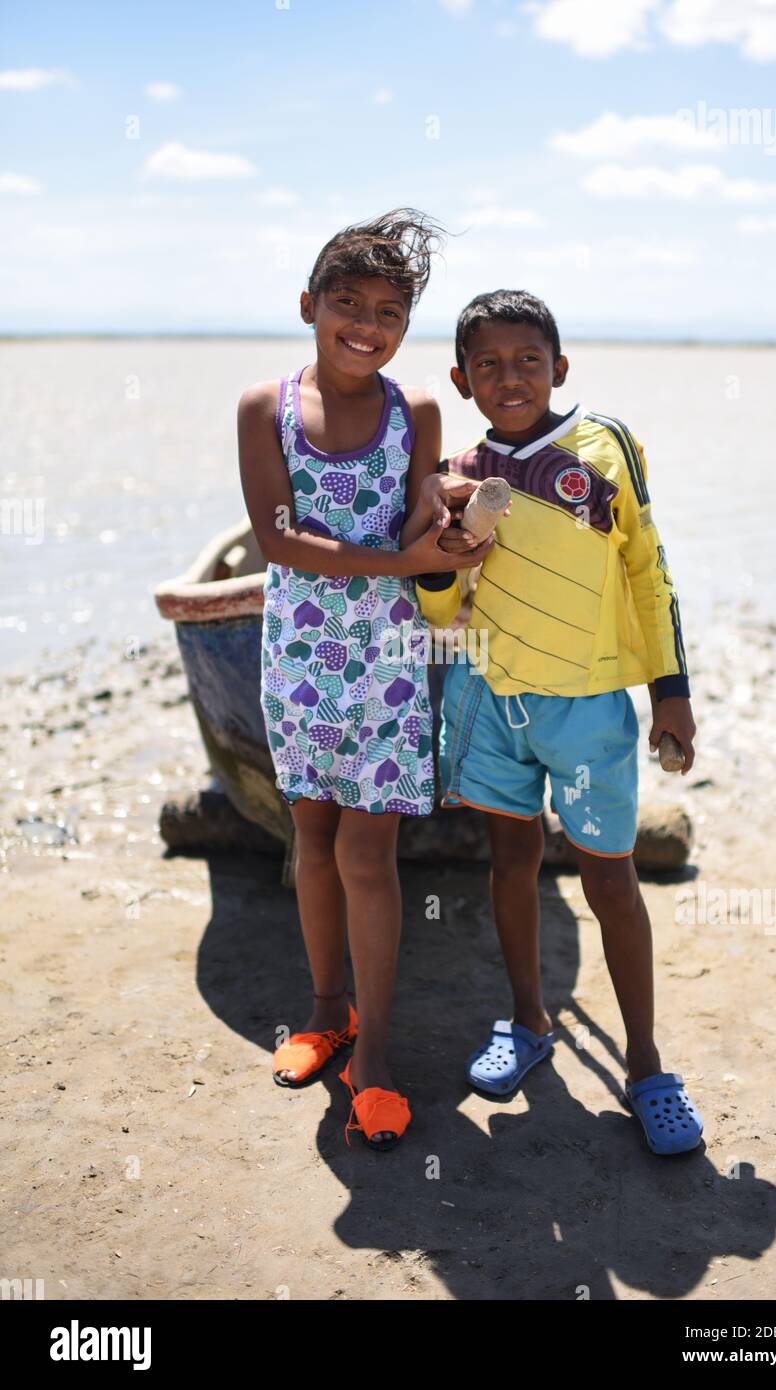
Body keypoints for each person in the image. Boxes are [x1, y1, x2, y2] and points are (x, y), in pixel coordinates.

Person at [415, 289, 704, 1155]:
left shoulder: (603, 446)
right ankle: (527, 1021)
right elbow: (437, 614)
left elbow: (648, 571)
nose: (512, 378)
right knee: (512, 859)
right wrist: (448, 556)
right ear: (462, 379)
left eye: (529, 361)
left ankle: (647, 1065)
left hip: (586, 708)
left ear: (559, 368)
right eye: (490, 366)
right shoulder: (456, 473)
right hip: (486, 699)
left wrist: (671, 689)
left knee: (610, 879)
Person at [237, 210, 491, 1150]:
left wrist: (449, 531)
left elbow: (424, 515)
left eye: (389, 310)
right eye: (347, 302)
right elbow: (276, 540)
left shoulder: (413, 413)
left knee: (366, 857)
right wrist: (399, 559)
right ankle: (324, 1014)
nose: (366, 323)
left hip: (385, 662)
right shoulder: (262, 407)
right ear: (309, 306)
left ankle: (374, 1054)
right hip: (298, 657)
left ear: (403, 328)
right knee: (309, 838)